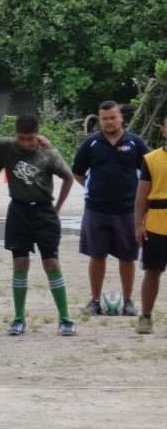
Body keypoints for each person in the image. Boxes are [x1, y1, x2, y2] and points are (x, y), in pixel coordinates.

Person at [0, 115, 76, 336]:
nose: (25, 143)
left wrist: (58, 207)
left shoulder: (48, 153)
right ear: (17, 135)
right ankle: (18, 318)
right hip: (18, 211)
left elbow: (69, 177)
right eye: (22, 138)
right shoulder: (8, 146)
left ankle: (65, 318)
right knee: (20, 265)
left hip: (44, 212)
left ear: (37, 135)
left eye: (30, 138)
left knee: (51, 264)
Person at [72, 100, 148, 317]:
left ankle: (128, 302)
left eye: (113, 117)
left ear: (121, 118)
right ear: (100, 120)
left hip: (127, 210)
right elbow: (77, 172)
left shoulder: (135, 143)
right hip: (97, 209)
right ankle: (95, 301)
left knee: (128, 257)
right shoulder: (91, 143)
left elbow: (149, 171)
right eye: (104, 118)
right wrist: (91, 187)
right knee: (97, 256)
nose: (109, 122)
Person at [134, 115, 167, 334]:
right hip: (156, 222)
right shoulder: (151, 159)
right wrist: (139, 224)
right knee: (152, 271)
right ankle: (145, 316)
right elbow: (141, 195)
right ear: (163, 131)